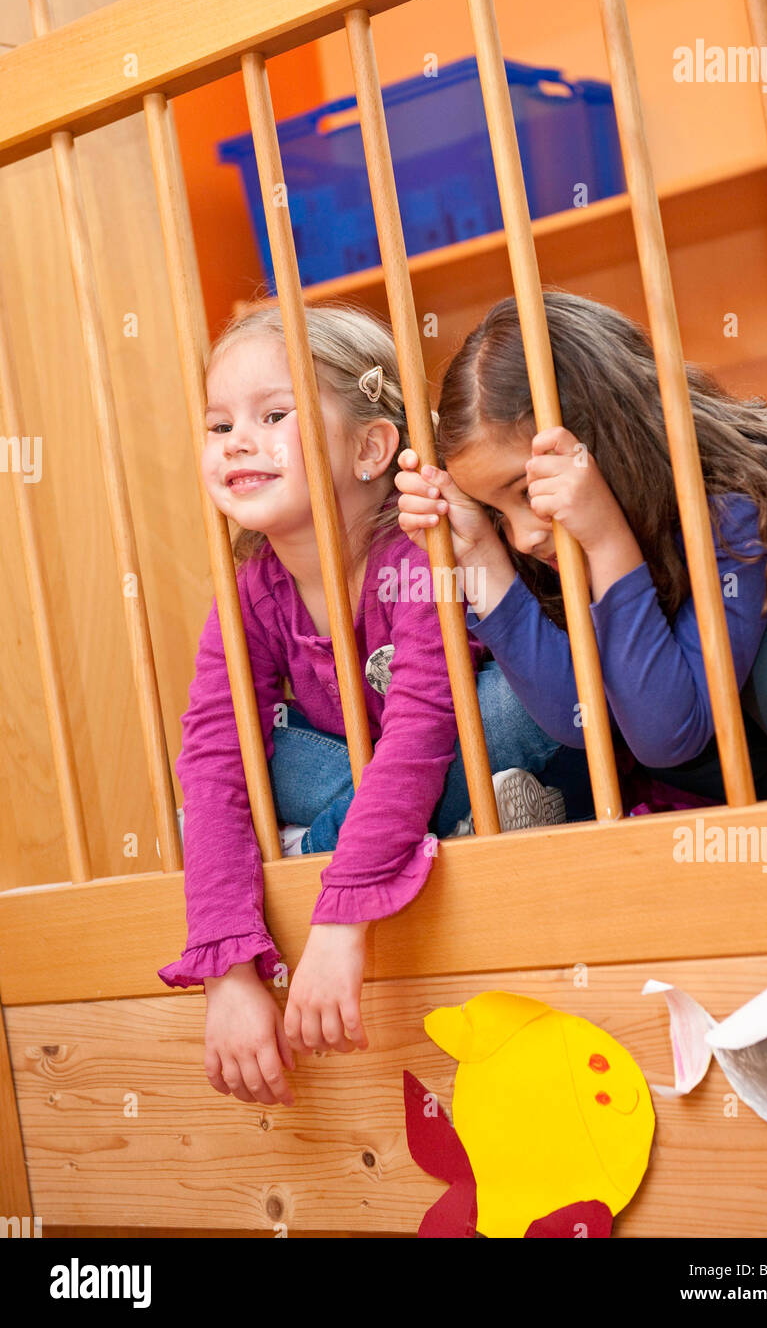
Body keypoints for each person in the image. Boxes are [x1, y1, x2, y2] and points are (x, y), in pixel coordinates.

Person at [159, 302, 569, 1108]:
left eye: (272, 416)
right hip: (356, 772)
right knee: (227, 764)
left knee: (505, 712)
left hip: (440, 753)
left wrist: (338, 916)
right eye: (218, 425)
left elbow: (421, 730)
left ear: (370, 448)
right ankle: (389, 832)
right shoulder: (247, 595)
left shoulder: (417, 556)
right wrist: (228, 972)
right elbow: (213, 763)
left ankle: (317, 845)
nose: (238, 440)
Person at [395, 290, 767, 805]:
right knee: (638, 705)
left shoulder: (729, 497)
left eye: (529, 492)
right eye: (496, 513)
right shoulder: (549, 542)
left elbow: (671, 733)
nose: (524, 537)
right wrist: (480, 556)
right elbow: (588, 722)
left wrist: (606, 540)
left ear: (605, 440)